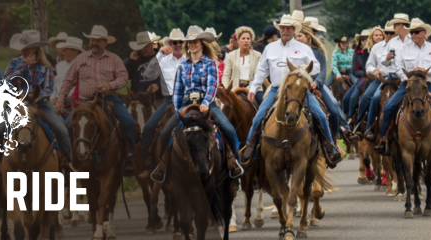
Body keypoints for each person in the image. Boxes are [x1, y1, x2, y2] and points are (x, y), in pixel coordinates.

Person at [241, 14, 342, 165]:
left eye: (288, 28)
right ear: (279, 30)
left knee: (320, 115)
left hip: (299, 91)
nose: (285, 30)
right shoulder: (270, 48)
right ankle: (251, 149)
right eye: (282, 28)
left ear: (294, 30)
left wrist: (302, 72)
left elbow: (316, 67)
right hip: (277, 89)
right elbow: (261, 71)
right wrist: (253, 89)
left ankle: (330, 148)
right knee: (258, 117)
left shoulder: (303, 48)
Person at [374, 18, 431, 155]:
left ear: (424, 33)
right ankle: (384, 139)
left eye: (416, 32)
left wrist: (423, 71)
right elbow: (398, 69)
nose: (413, 35)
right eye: (412, 32)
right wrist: (411, 78)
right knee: (388, 107)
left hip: (428, 85)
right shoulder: (403, 49)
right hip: (407, 85)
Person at [0, 29, 73, 165]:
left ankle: (68, 164)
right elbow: (4, 83)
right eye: (22, 48)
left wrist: (38, 97)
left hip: (41, 105)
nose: (23, 51)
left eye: (26, 48)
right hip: (16, 105)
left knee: (61, 129)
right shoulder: (15, 63)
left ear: (35, 48)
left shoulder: (46, 66)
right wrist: (23, 67)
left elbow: (48, 88)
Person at [168, 26, 243, 177]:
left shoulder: (210, 63)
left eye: (195, 42)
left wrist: (206, 102)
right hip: (186, 103)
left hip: (206, 102)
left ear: (202, 43)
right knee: (165, 132)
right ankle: (164, 166)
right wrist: (177, 109)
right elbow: (177, 91)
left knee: (227, 129)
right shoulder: (182, 65)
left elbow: (212, 86)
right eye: (189, 42)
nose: (192, 45)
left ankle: (234, 161)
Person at [55, 25, 136, 164]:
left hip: (109, 99)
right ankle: (67, 158)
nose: (94, 43)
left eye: (98, 40)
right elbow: (68, 81)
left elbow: (123, 78)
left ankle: (129, 155)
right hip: (85, 102)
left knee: (129, 122)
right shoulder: (81, 59)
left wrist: (109, 85)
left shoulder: (114, 59)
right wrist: (61, 100)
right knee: (67, 126)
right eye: (92, 40)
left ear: (105, 42)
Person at [141, 28, 187, 175]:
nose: (178, 44)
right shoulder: (164, 60)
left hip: (186, 101)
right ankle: (148, 163)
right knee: (148, 127)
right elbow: (148, 74)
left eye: (180, 41)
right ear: (170, 44)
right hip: (168, 100)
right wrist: (159, 55)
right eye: (175, 42)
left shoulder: (190, 60)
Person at [296, 26, 352, 141]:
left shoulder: (318, 52)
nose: (297, 38)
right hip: (298, 86)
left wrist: (316, 83)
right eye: (296, 36)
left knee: (333, 109)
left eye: (300, 36)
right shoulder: (294, 52)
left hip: (316, 85)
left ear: (308, 36)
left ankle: (336, 136)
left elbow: (322, 72)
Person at [360, 13, 411, 139]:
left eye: (393, 27)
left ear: (400, 25)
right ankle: (369, 127)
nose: (390, 33)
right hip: (390, 77)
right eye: (387, 32)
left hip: (409, 77)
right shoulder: (392, 43)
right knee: (375, 97)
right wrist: (386, 59)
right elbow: (383, 62)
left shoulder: (412, 40)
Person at [52, 37, 83, 110]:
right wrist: (52, 97)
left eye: (66, 50)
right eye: (63, 50)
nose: (63, 52)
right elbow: (53, 85)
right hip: (57, 102)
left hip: (75, 102)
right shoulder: (58, 66)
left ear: (75, 51)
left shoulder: (82, 67)